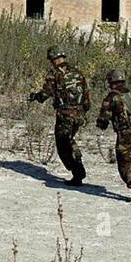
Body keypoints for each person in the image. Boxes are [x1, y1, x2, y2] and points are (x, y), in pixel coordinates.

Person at [28, 46, 90, 185]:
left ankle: (78, 171)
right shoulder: (77, 72)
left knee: (63, 143)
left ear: (53, 59)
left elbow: (46, 93)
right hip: (79, 113)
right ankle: (78, 170)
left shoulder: (55, 74)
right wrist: (84, 111)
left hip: (65, 114)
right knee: (69, 139)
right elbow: (86, 94)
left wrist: (35, 96)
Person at [95, 68, 131, 203]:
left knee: (123, 163)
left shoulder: (112, 97)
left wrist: (101, 125)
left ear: (111, 82)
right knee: (128, 156)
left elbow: (103, 119)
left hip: (126, 133)